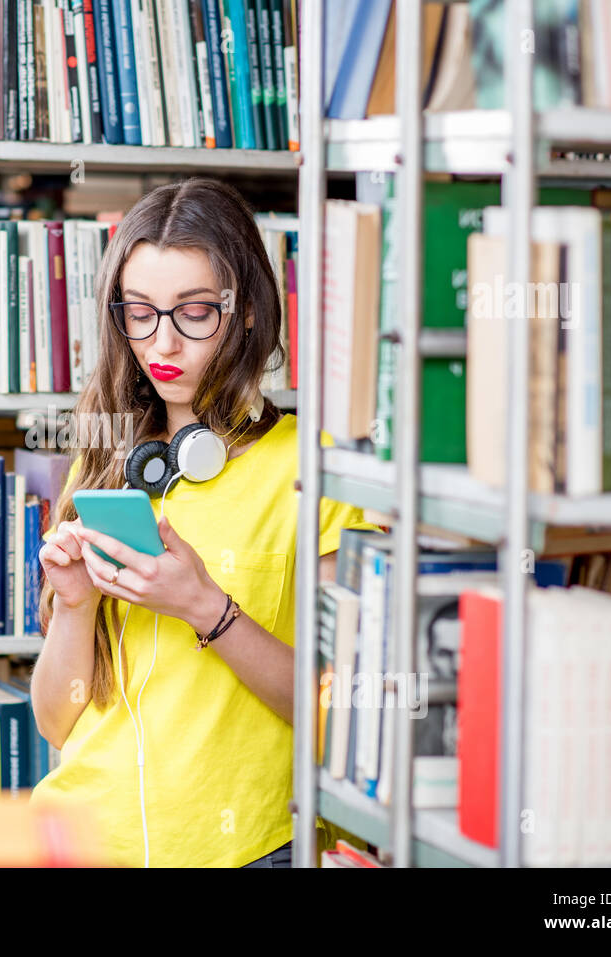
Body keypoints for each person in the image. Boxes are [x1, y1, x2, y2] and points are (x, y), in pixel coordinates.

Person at [28, 177, 378, 867]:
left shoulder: (317, 469)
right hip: (84, 839)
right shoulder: (106, 459)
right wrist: (74, 606)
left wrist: (204, 606)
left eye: (194, 313)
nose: (162, 341)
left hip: (245, 846)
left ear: (246, 311)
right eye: (140, 312)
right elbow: (56, 718)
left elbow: (339, 717)